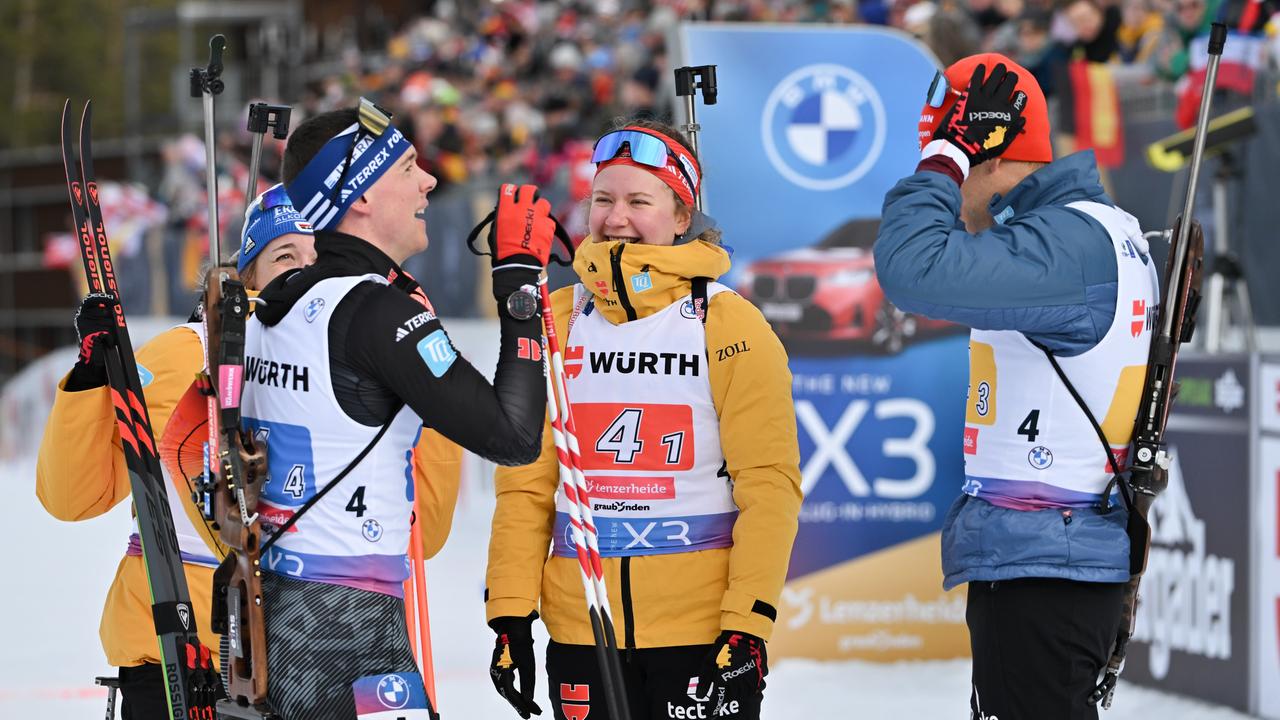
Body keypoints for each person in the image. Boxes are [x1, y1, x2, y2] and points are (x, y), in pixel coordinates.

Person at [241, 98, 553, 720]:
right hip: (345, 620)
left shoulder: (276, 301)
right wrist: (520, 285)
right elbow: (514, 437)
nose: (429, 181)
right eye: (408, 167)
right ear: (360, 195)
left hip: (272, 607)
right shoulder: (373, 310)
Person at [484, 119, 802, 720]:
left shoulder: (726, 322)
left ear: (682, 216)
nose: (616, 218)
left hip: (700, 635)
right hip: (582, 630)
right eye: (602, 199)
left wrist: (747, 623)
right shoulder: (557, 317)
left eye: (638, 201)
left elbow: (769, 486)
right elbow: (526, 485)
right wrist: (510, 614)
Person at [874, 54, 1159, 719]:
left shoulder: (1066, 244)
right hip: (1049, 556)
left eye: (951, 164)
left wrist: (943, 155)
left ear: (992, 156)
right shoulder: (1083, 231)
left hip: (1046, 565)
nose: (945, 183)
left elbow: (911, 269)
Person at [34, 184, 318, 720]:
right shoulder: (183, 351)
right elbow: (73, 496)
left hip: (304, 649)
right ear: (247, 275)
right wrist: (93, 377)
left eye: (317, 259)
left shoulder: (345, 361)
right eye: (286, 256)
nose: (305, 271)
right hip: (174, 645)